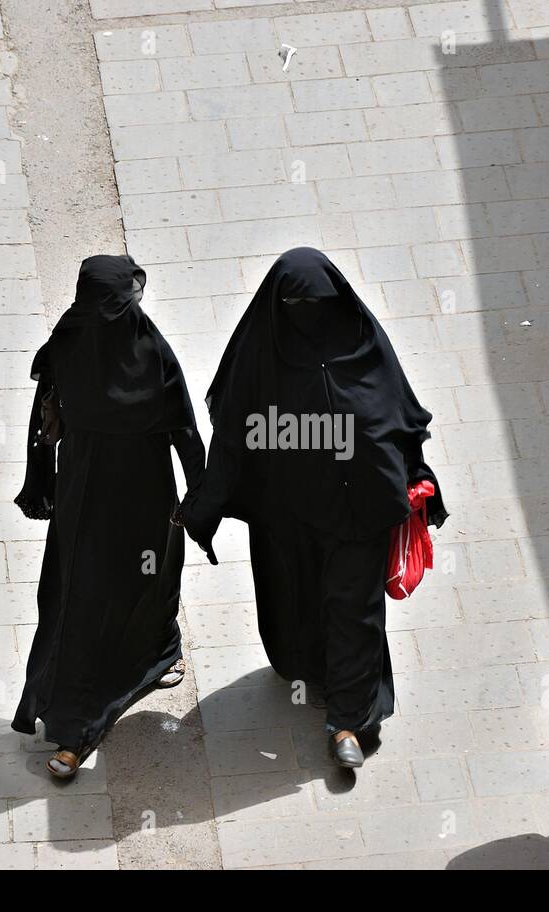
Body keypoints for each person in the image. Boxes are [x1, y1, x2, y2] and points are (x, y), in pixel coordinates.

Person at [179, 247, 447, 768]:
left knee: (355, 610)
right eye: (299, 306)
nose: (311, 317)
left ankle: (349, 720)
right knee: (298, 600)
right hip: (291, 515)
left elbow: (396, 414)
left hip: (360, 510)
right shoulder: (260, 358)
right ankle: (306, 667)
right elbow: (233, 440)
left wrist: (416, 474)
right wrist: (202, 506)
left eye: (319, 305)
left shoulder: (362, 343)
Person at [12, 254, 205, 779]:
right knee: (80, 599)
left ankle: (156, 652)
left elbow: (184, 425)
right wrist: (42, 484)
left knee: (146, 579)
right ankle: (75, 725)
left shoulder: (138, 346)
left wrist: (202, 498)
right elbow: (45, 416)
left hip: (143, 496)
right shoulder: (72, 345)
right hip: (87, 500)